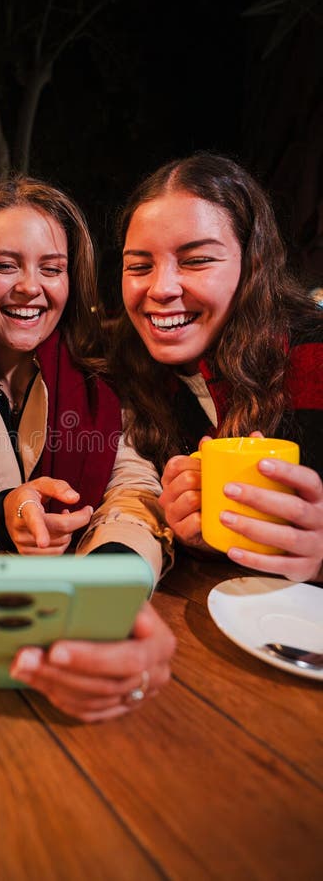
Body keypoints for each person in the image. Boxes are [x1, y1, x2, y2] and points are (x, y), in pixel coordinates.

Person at [0, 176, 176, 722]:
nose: (30, 287)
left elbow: (133, 488)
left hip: (78, 632)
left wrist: (106, 586)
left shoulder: (103, 374)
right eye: (5, 265)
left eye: (52, 268)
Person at [111, 152, 323, 583]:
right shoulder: (131, 372)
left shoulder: (312, 353)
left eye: (196, 260)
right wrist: (196, 535)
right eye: (139, 266)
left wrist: (318, 558)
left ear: (252, 265)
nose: (161, 288)